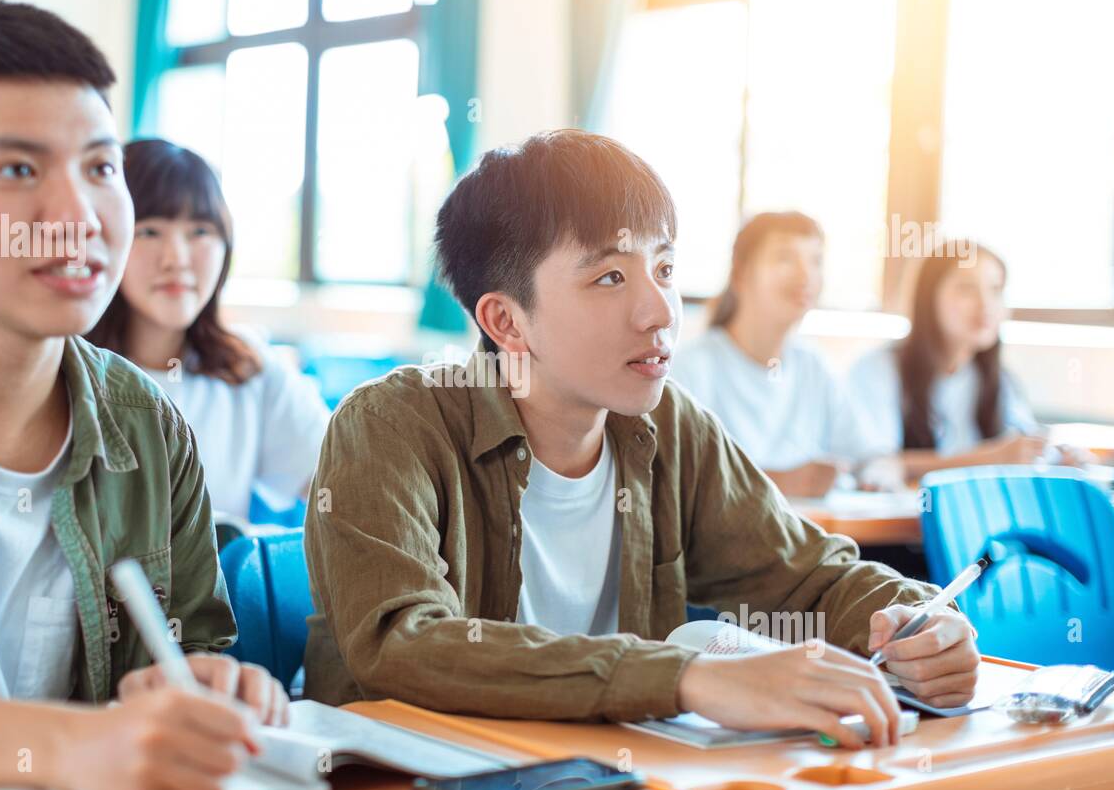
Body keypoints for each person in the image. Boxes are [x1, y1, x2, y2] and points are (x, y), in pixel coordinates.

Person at [302, 129, 980, 747]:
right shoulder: (387, 427)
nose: (659, 312)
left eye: (664, 269)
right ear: (507, 322)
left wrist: (915, 620)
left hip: (622, 781)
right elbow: (405, 644)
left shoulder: (668, 426)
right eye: (610, 277)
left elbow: (811, 579)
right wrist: (684, 676)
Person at [0, 0, 287, 790]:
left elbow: (178, 649)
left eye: (101, 168)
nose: (79, 218)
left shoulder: (146, 422)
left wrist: (193, 691)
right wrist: (75, 747)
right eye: (16, 170)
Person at [85, 139, 329, 520]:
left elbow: (339, 482)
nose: (176, 259)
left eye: (199, 232)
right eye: (149, 231)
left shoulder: (246, 368)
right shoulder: (62, 367)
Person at [671, 212, 896, 497]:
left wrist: (877, 475)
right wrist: (777, 482)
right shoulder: (692, 368)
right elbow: (676, 478)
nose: (806, 275)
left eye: (816, 261)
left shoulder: (813, 366)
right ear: (740, 274)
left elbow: (872, 454)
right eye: (785, 258)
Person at [848, 241, 1050, 480]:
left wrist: (1054, 456)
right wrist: (990, 458)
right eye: (967, 289)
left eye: (995, 290)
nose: (985, 305)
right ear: (928, 297)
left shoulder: (998, 379)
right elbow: (878, 464)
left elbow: (1025, 444)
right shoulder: (878, 370)